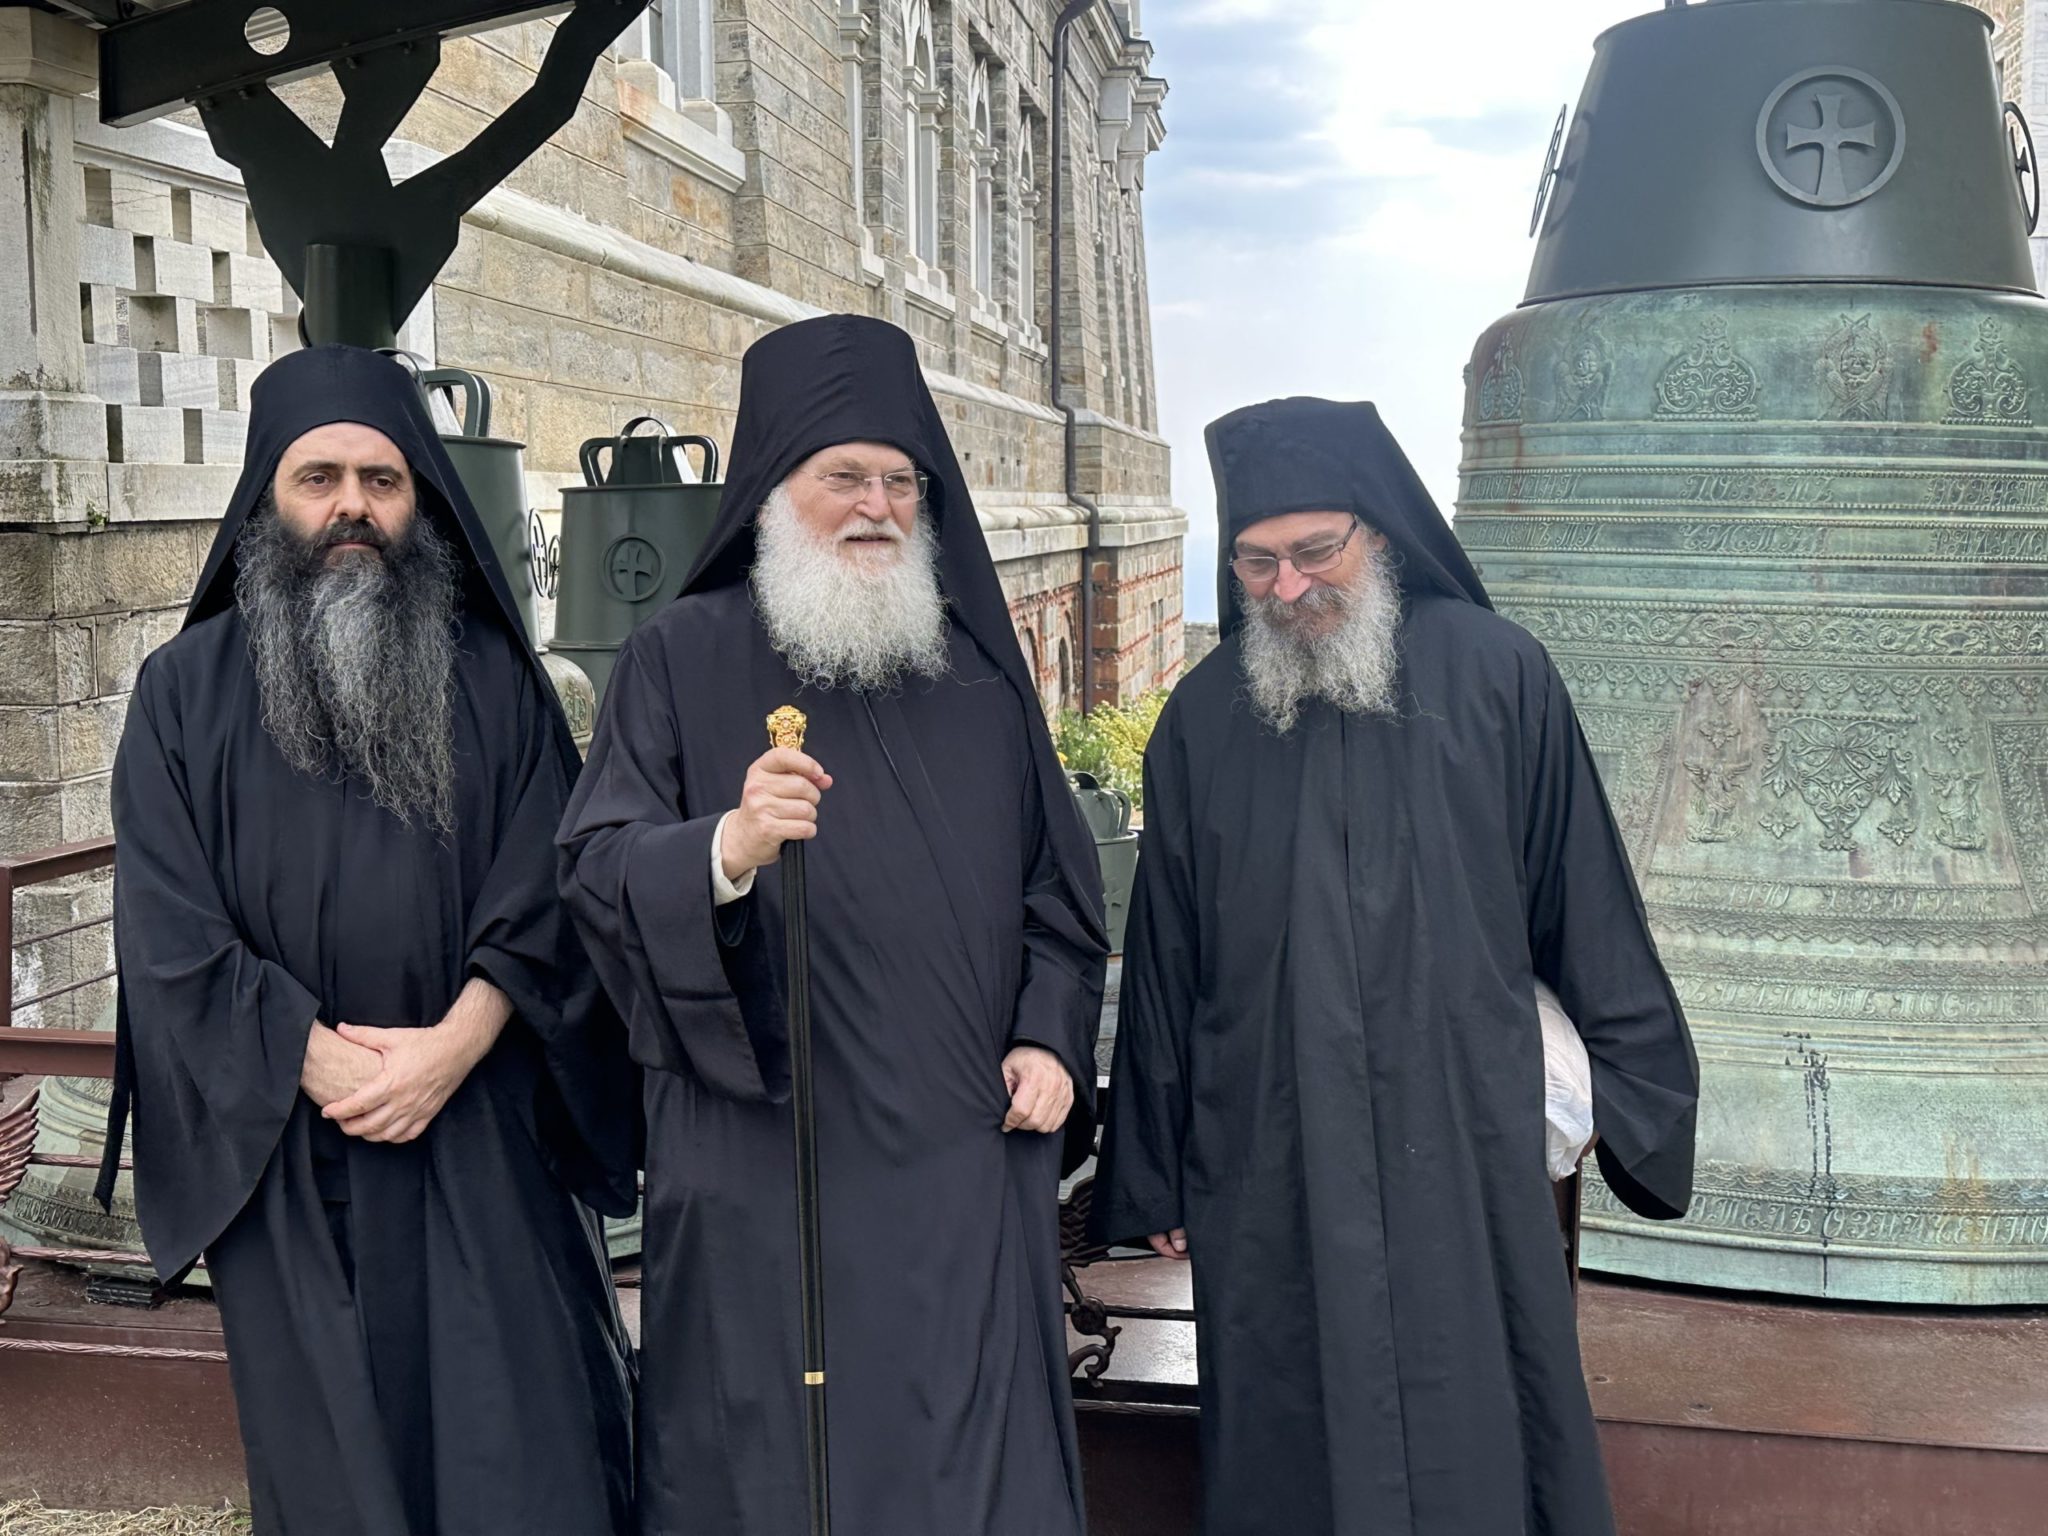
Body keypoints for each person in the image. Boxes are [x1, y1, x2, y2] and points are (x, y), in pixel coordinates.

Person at [1090, 396, 1699, 1536]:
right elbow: (1168, 952)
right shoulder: (1204, 717)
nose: (1286, 587)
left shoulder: (1495, 675)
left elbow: (1580, 893)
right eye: (1256, 562)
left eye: (1314, 552)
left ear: (1376, 535)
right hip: (1266, 1137)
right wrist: (1157, 1170)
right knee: (1284, 1426)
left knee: (1475, 1398)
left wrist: (1629, 1084)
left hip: (1457, 1129)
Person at [558, 313, 1108, 1536]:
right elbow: (592, 876)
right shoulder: (674, 658)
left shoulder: (976, 673)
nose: (875, 505)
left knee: (960, 1461)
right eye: (840, 478)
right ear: (770, 492)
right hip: (762, 1154)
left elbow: (1061, 903)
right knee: (766, 1462)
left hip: (965, 1157)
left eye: (898, 480)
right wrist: (723, 850)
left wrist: (1050, 1039)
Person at [98, 345, 638, 1536]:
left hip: (483, 1126)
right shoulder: (180, 693)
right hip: (289, 1143)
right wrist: (319, 1059)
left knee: (529, 1453)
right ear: (267, 499)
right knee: (340, 1477)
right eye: (320, 477)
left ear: (420, 502)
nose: (352, 505)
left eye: (382, 481)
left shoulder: (498, 681)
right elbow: (168, 925)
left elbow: (552, 885)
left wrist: (453, 1044)